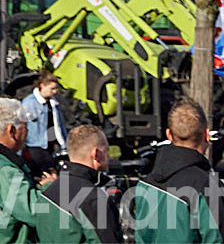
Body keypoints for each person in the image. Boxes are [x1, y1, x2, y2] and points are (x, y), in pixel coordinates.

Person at [0, 96, 89, 243]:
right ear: (12, 130)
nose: (27, 132)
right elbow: (35, 212)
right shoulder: (4, 169)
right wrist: (50, 187)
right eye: (25, 127)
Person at [133, 101, 224, 244]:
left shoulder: (144, 184)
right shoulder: (206, 185)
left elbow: (141, 238)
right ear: (207, 135)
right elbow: (216, 239)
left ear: (168, 134)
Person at [44, 124, 121, 244]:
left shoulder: (48, 192)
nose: (109, 155)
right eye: (106, 150)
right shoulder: (94, 200)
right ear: (96, 154)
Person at [22, 73, 67, 164]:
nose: (55, 92)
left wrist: (64, 144)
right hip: (35, 146)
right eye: (52, 88)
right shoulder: (30, 103)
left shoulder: (54, 103)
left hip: (50, 145)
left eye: (56, 88)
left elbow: (60, 125)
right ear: (42, 86)